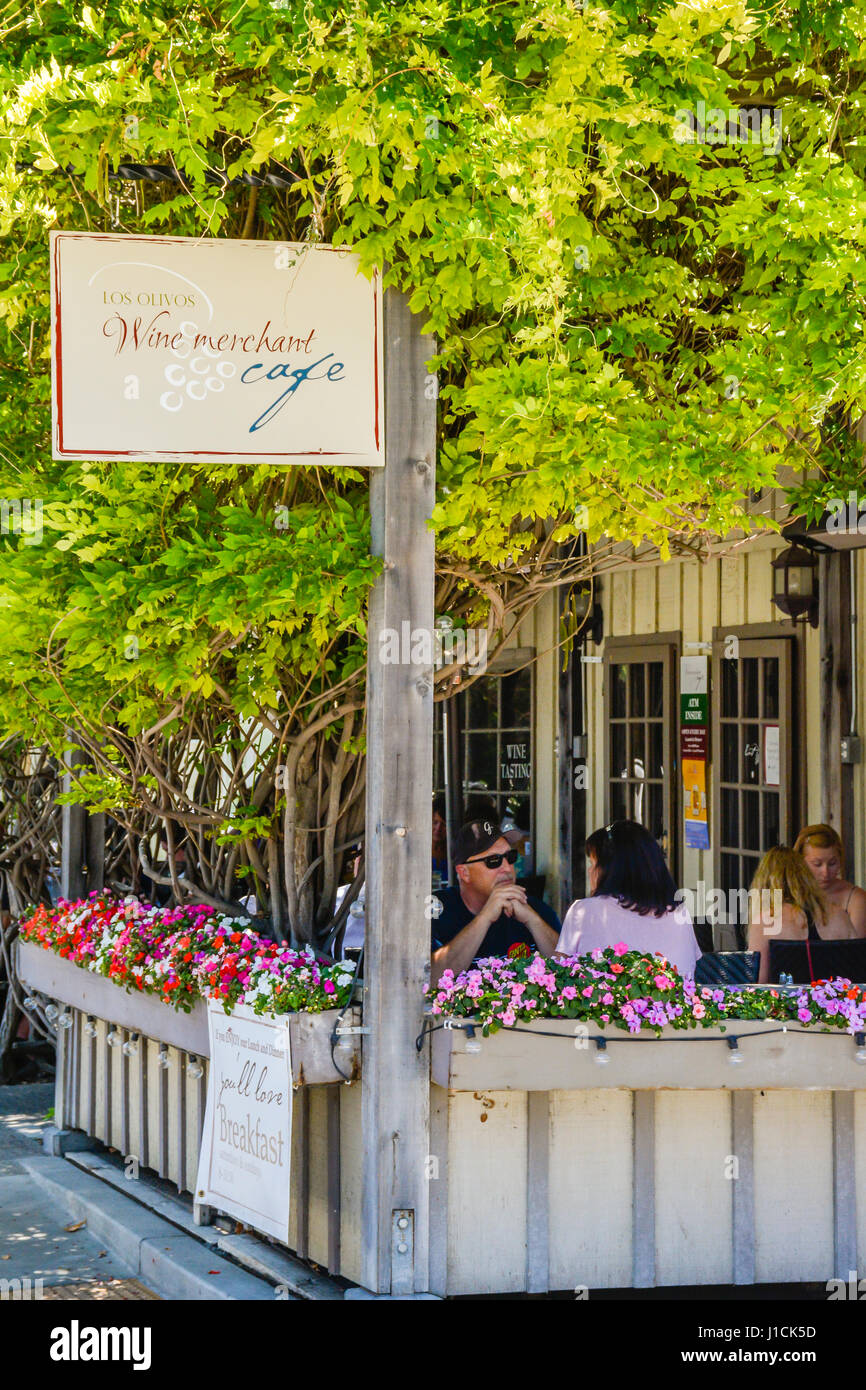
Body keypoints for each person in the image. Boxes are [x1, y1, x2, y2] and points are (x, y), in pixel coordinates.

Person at [555, 820, 701, 978]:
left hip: (609, 1002)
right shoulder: (679, 912)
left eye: (593, 863)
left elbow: (559, 975)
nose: (590, 870)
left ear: (612, 870)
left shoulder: (584, 911)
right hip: (674, 1002)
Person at [430, 818, 560, 984]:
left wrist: (532, 920)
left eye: (510, 857)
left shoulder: (534, 908)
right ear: (464, 872)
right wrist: (485, 918)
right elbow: (429, 979)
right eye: (493, 861)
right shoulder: (437, 909)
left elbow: (571, 971)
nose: (506, 868)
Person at [747, 844, 856, 983]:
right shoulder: (840, 915)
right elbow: (857, 969)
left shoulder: (767, 921)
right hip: (838, 1002)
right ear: (806, 877)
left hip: (786, 1003)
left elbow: (758, 984)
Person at [793, 823, 866, 935]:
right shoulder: (784, 892)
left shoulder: (857, 899)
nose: (825, 872)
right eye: (817, 864)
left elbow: (857, 950)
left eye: (832, 863)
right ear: (800, 862)